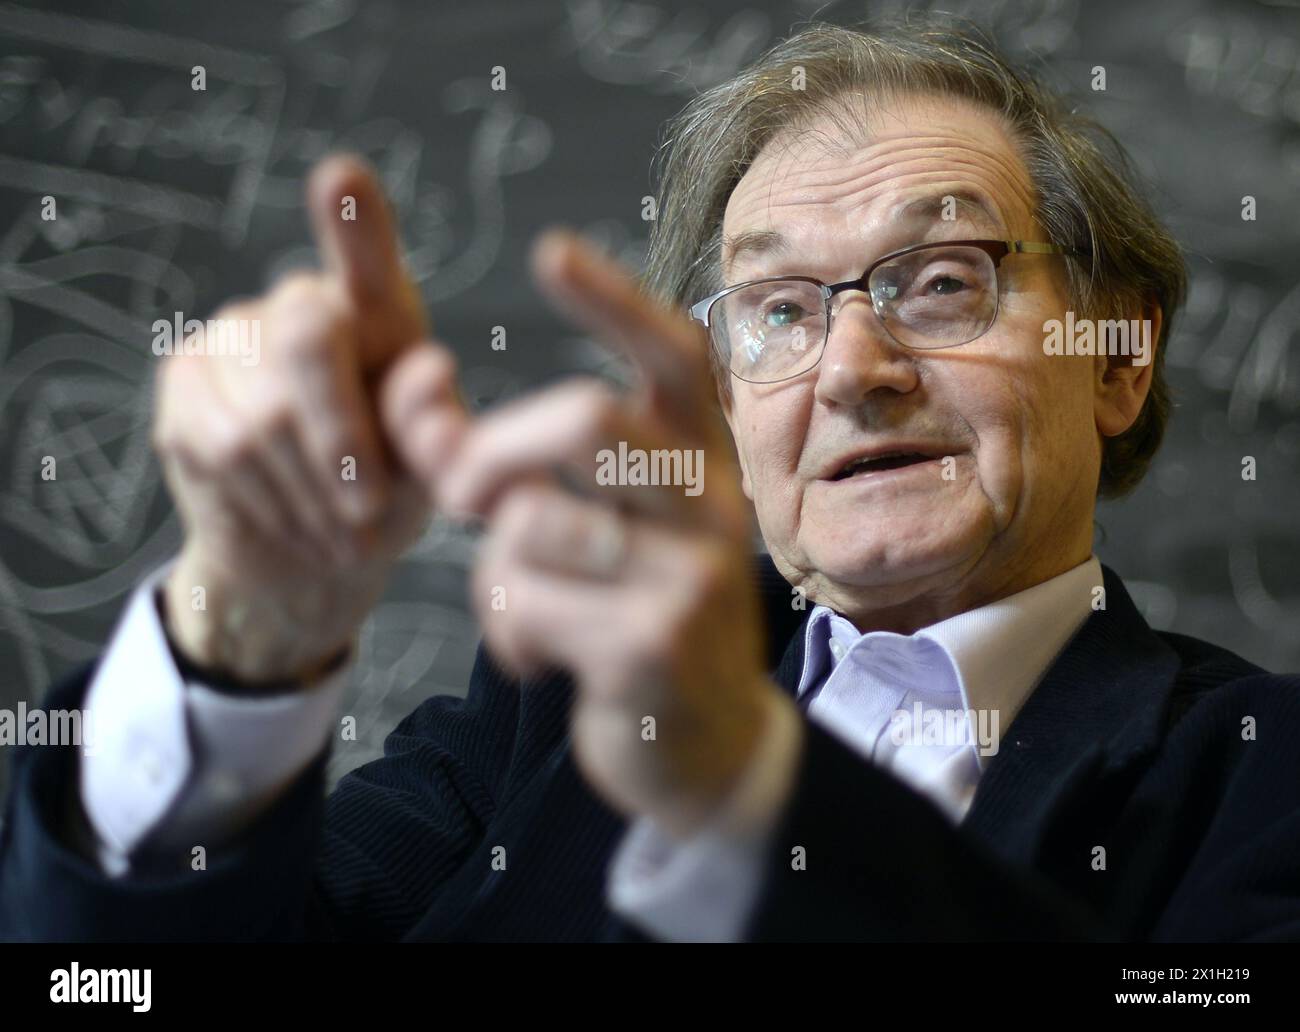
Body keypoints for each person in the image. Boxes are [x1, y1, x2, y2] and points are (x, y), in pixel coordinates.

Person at [2, 20, 1298, 943]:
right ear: (726, 404)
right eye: (777, 311)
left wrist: (742, 790)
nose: (853, 365)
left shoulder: (1261, 779)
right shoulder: (543, 700)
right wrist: (239, 644)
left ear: (1117, 359)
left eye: (941, 281)